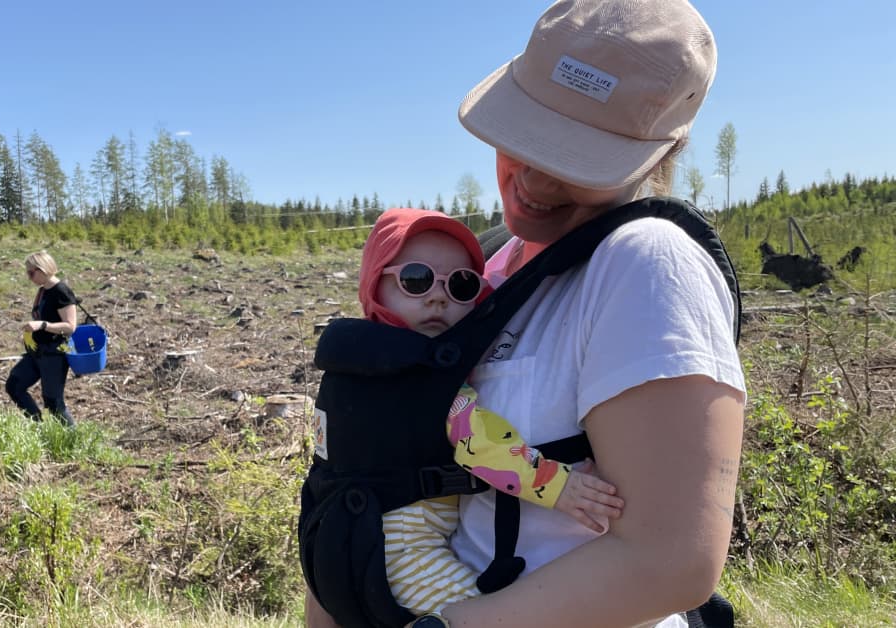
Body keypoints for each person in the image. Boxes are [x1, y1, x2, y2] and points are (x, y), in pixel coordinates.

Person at [307, 0, 745, 626]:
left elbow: (672, 559)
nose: (534, 183)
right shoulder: (481, 273)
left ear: (658, 153)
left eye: (576, 159)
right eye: (525, 138)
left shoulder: (645, 266)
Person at [358, 207, 625, 616]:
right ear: (375, 288)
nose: (437, 296)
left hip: (389, 539)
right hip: (407, 550)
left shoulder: (368, 363)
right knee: (486, 616)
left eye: (461, 286)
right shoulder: (419, 377)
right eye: (416, 279)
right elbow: (480, 445)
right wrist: (559, 487)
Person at [5, 250, 78, 428]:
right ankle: (37, 427)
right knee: (14, 385)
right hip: (37, 352)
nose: (29, 277)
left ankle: (74, 439)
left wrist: (43, 325)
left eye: (31, 273)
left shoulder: (61, 291)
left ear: (43, 269)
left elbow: (70, 326)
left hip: (55, 353)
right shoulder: (42, 291)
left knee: (53, 403)